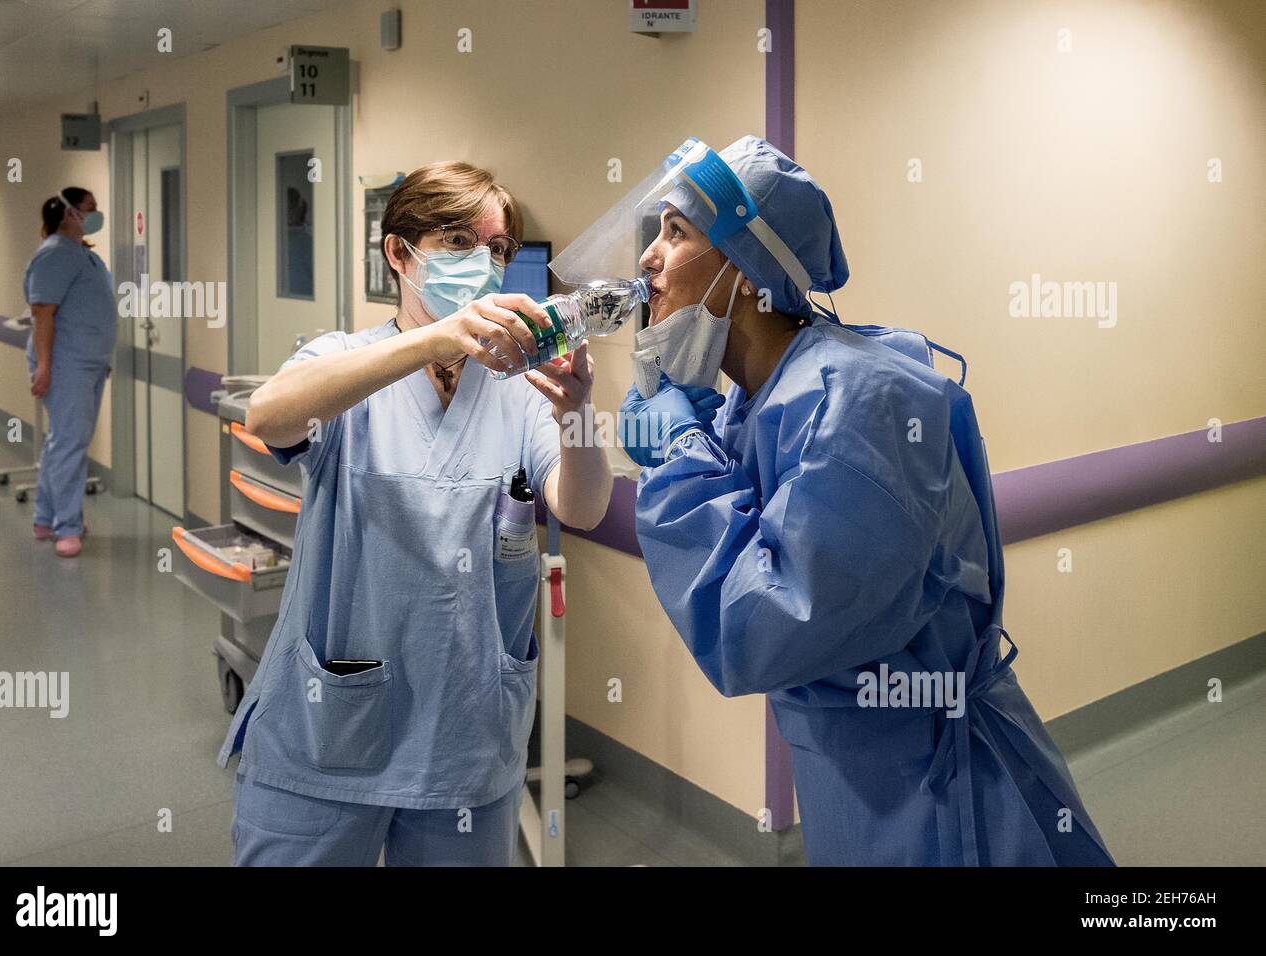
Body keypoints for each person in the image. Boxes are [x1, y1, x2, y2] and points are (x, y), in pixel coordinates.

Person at [607, 136, 1114, 865]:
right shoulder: (753, 399)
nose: (649, 258)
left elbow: (768, 625)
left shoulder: (861, 404)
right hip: (855, 766)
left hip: (935, 783)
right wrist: (692, 434)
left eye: (677, 232)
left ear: (747, 271)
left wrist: (683, 462)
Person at [218, 161, 612, 866]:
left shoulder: (519, 389)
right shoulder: (343, 361)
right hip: (327, 732)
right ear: (399, 253)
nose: (483, 263)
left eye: (496, 249)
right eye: (457, 240)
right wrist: (434, 339)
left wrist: (579, 412)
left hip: (464, 736)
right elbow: (268, 415)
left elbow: (580, 507)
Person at [24, 187, 115, 558]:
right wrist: (45, 366)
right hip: (65, 364)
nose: (95, 214)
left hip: (85, 361)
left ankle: (45, 519)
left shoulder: (81, 254)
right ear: (69, 214)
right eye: (89, 209)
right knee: (70, 445)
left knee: (61, 442)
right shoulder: (54, 256)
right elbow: (42, 313)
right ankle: (66, 527)